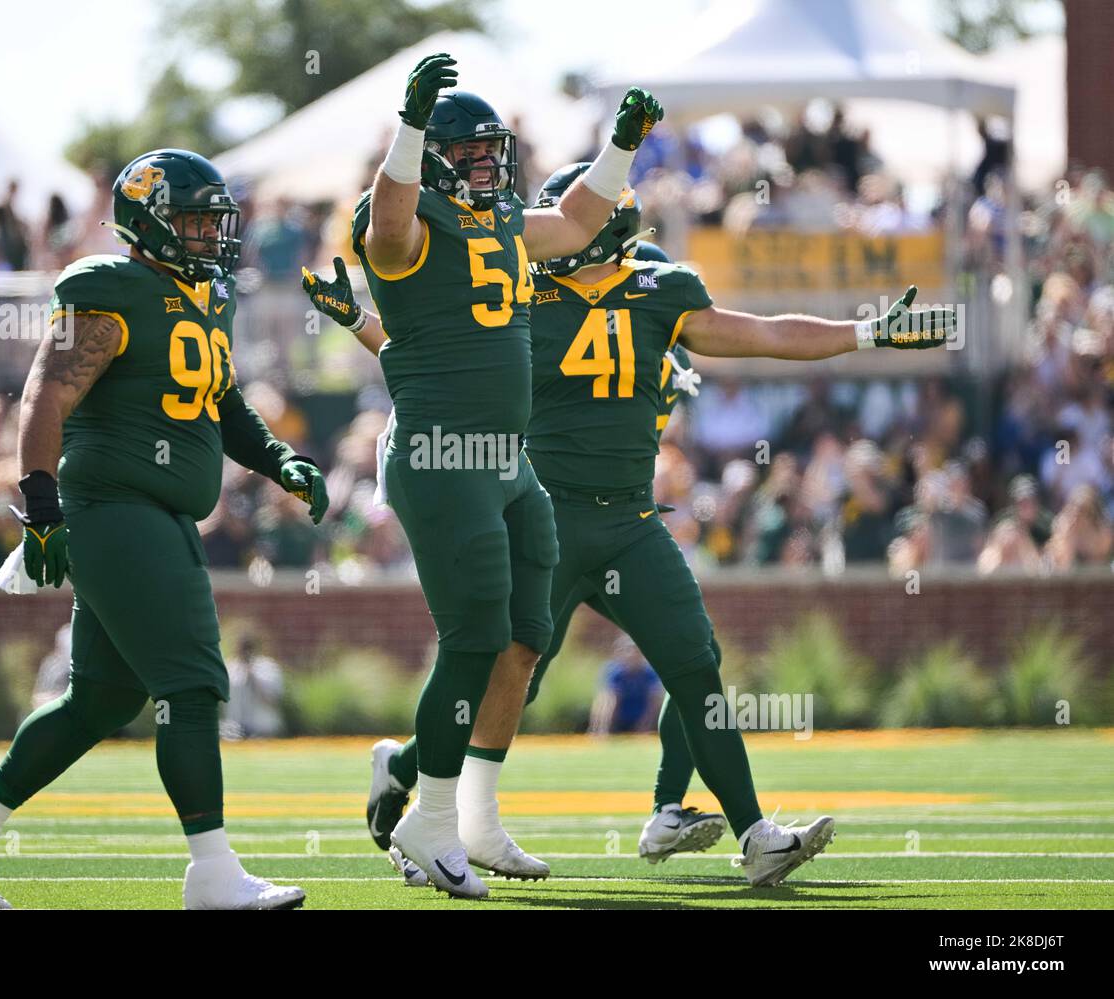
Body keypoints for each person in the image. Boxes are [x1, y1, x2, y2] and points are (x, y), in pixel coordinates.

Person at [305, 160, 956, 889]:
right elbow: (430, 363)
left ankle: (755, 833)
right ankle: (402, 768)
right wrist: (360, 319)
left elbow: (763, 332)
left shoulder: (659, 291)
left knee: (694, 662)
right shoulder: (519, 291)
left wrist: (861, 334)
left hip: (629, 520)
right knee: (503, 683)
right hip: (541, 516)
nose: (552, 237)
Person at [0, 148, 329, 911]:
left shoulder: (206, 297)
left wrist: (277, 459)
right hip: (116, 508)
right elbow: (46, 394)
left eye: (216, 220)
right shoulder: (110, 288)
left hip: (160, 513)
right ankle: (211, 873)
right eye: (195, 220)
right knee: (195, 682)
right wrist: (40, 510)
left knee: (102, 698)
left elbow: (223, 401)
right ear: (149, 221)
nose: (210, 234)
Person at [323, 52, 664, 898]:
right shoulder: (402, 221)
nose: (486, 167)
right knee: (473, 637)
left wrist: (619, 147)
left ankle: (472, 815)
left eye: (491, 153)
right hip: (443, 456)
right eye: (468, 154)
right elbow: (391, 222)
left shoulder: (502, 218)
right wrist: (406, 128)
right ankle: (427, 821)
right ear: (433, 157)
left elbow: (579, 221)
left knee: (523, 638)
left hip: (508, 460)